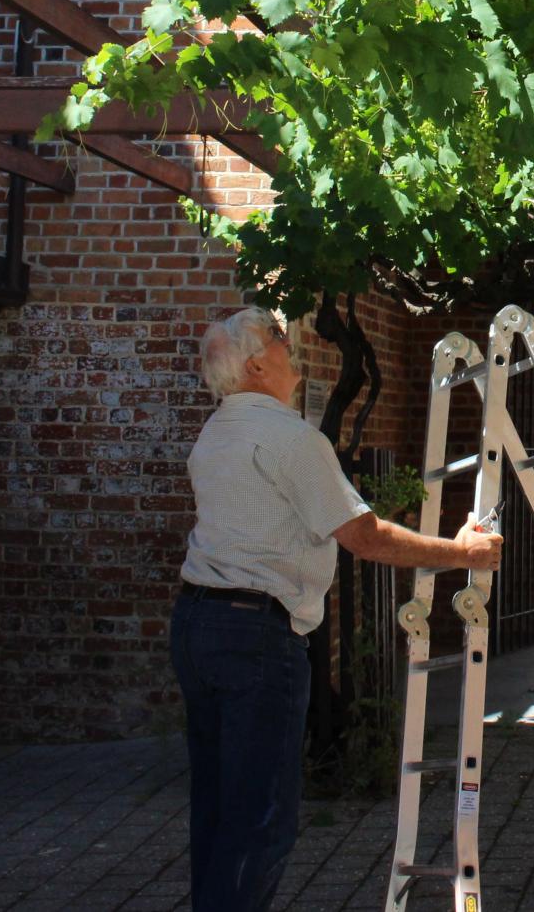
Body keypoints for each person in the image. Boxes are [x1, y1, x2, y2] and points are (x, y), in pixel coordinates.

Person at [172, 306, 502, 912]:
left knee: (220, 808)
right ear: (253, 365)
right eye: (275, 337)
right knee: (260, 819)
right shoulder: (290, 438)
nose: (286, 340)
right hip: (254, 637)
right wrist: (462, 552)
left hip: (200, 624)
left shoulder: (217, 431)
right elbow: (365, 537)